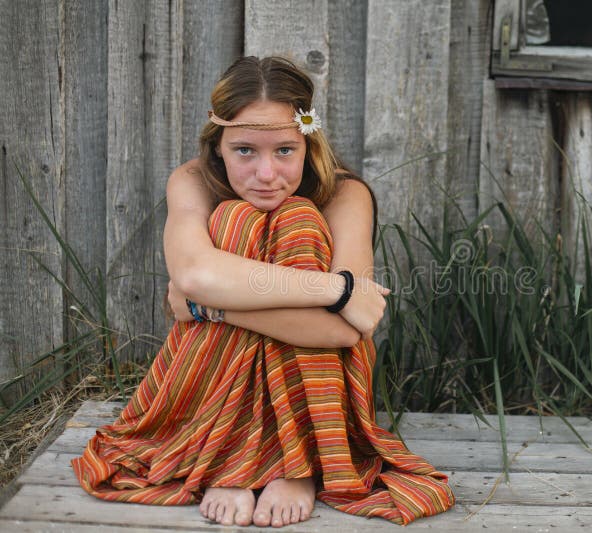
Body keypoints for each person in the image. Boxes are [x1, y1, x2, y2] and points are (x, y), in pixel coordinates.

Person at [72, 56, 455, 528]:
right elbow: (193, 274)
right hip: (213, 388)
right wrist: (336, 288)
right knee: (233, 219)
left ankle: (297, 459)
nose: (267, 174)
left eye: (284, 151)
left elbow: (339, 330)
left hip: (315, 380)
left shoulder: (344, 193)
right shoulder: (192, 181)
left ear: (307, 140)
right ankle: (229, 450)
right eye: (245, 151)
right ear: (217, 148)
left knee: (298, 218)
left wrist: (206, 308)